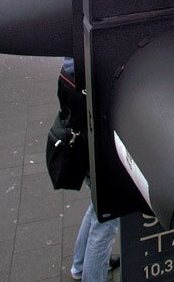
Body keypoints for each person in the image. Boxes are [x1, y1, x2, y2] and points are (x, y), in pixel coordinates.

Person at [61, 58, 120, 282]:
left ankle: (81, 265)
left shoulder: (73, 57)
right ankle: (92, 274)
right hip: (98, 132)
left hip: (85, 124)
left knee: (99, 205)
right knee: (108, 217)